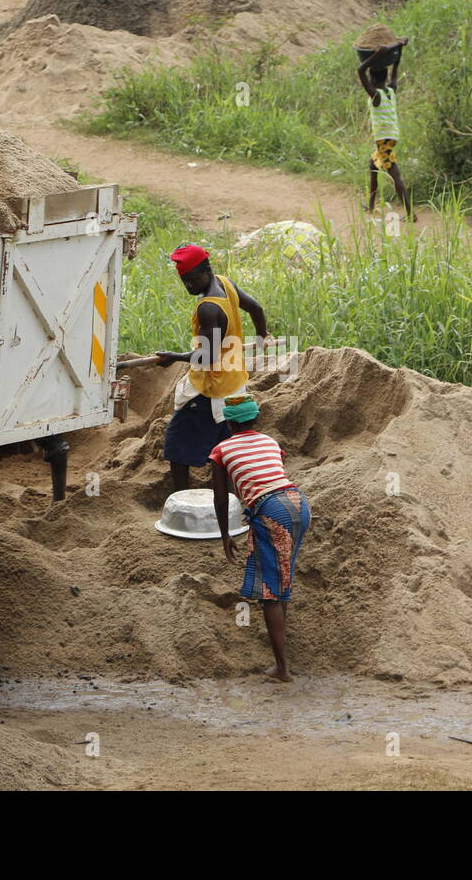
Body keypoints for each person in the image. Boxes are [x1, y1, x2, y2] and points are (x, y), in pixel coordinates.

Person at [209, 395, 310, 683]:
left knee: (269, 591)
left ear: (229, 422)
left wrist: (225, 533)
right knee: (281, 580)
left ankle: (282, 669)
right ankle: (283, 662)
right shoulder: (269, 441)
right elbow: (271, 472)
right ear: (255, 419)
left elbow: (219, 496)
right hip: (298, 503)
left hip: (270, 509)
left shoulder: (221, 449)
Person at [156, 244, 269, 491]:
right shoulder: (225, 284)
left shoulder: (208, 307)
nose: (189, 286)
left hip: (210, 387)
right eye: (184, 281)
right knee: (227, 447)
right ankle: (229, 501)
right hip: (234, 382)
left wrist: (173, 357)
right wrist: (262, 335)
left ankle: (182, 501)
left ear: (206, 269)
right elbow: (256, 309)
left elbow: (207, 357)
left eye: (192, 279)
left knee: (177, 446)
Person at [357, 36, 412, 219]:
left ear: (372, 80)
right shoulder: (391, 91)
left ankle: (411, 214)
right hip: (390, 137)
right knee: (372, 165)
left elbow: (360, 70)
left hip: (384, 139)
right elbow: (395, 68)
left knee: (394, 174)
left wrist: (376, 56)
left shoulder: (376, 96)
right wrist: (399, 49)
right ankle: (371, 206)